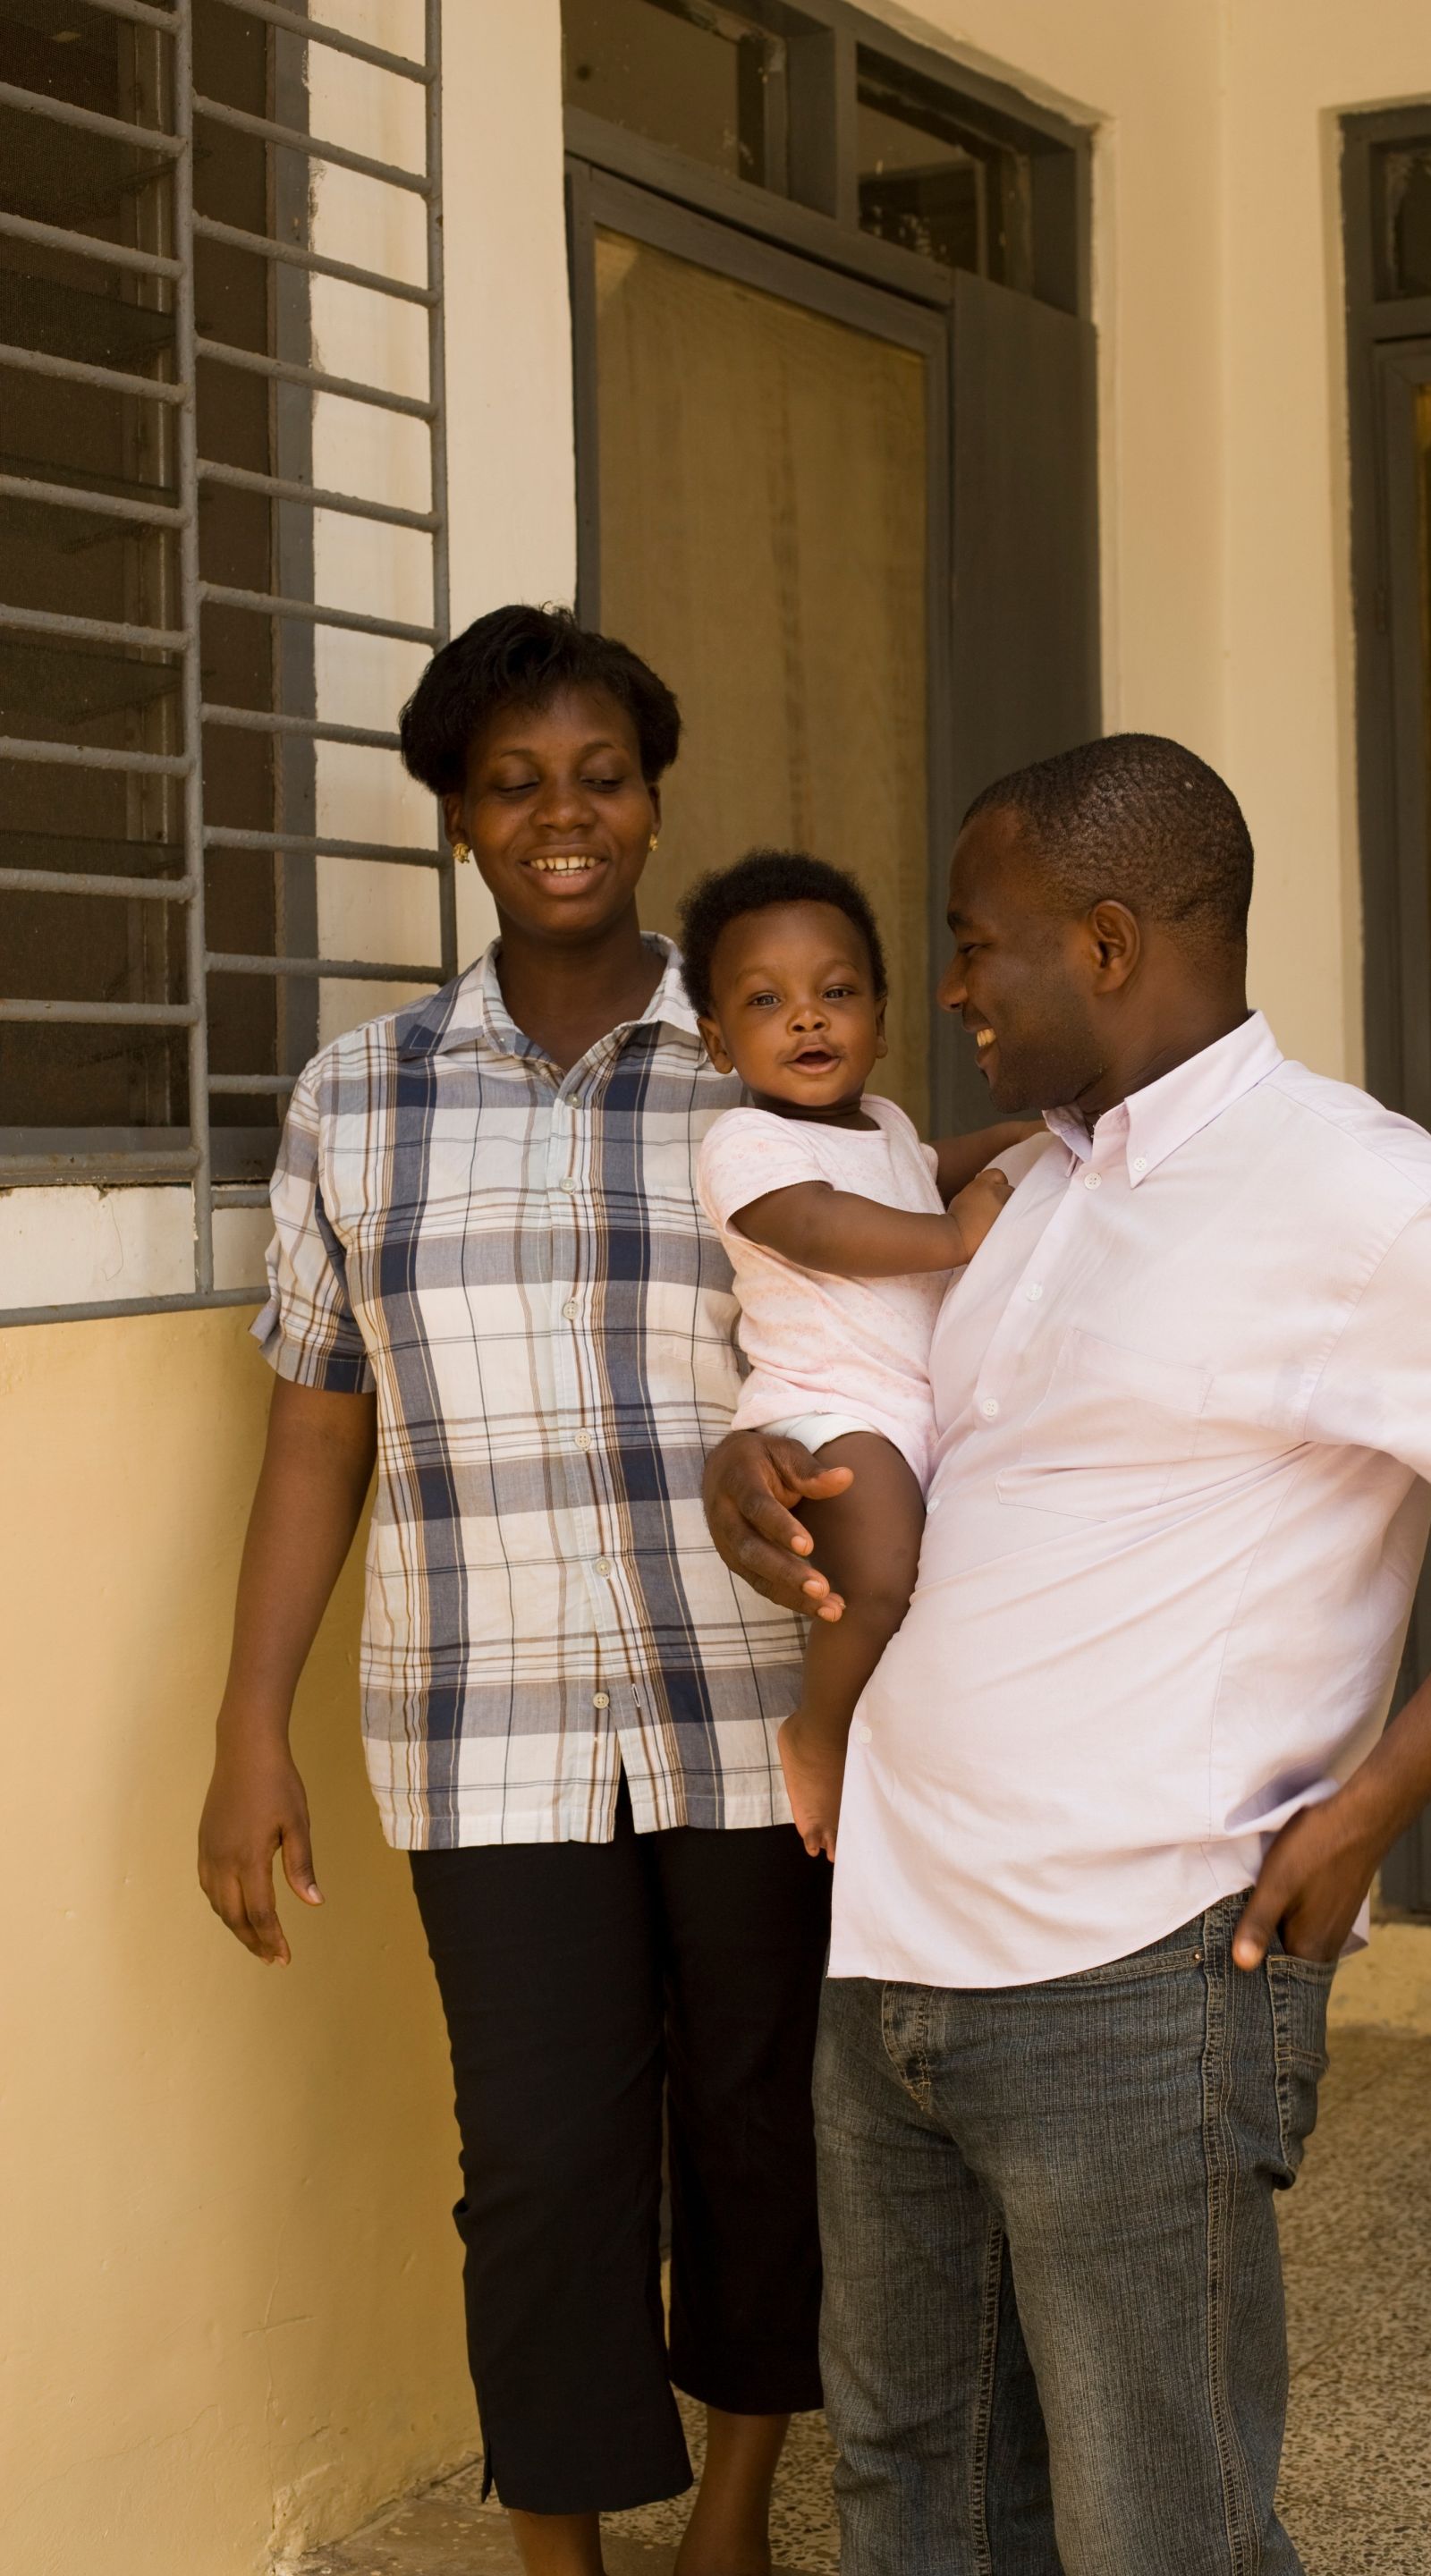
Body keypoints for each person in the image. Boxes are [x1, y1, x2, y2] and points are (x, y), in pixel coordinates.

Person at [702, 733, 1431, 2576]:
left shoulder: (1355, 1194)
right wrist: (749, 1467)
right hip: (897, 1953)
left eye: (976, 944)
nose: (959, 991)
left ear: (1104, 938)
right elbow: (913, 1446)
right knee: (917, 2491)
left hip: (1138, 1982)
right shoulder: (1043, 1185)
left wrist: (1380, 1797)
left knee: (1159, 2529)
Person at [198, 606, 840, 2576]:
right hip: (483, 1730)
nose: (564, 817)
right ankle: (553, 2547)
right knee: (545, 2168)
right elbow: (320, 1431)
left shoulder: (762, 1073)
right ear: (461, 823)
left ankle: (734, 2511)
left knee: (753, 2134)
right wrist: (246, 1732)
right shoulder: (359, 1099)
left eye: (602, 777)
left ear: (652, 797)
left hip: (757, 1714)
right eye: (513, 785)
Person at [679, 849, 1022, 1855]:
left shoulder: (884, 1123)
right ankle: (815, 1732)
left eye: (836, 992)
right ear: (715, 1040)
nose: (808, 1017)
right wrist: (959, 1236)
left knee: (933, 1600)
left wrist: (1026, 1139)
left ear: (879, 1011)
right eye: (766, 1000)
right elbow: (825, 1228)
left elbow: (922, 1170)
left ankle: (905, 1771)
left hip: (918, 1410)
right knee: (876, 1580)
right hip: (827, 1406)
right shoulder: (744, 1147)